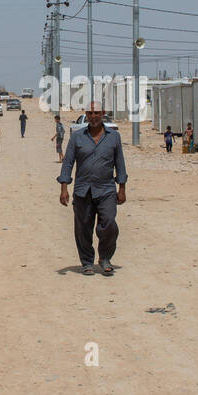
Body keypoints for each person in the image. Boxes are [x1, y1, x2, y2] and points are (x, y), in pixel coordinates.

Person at [58, 103, 127, 276]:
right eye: (90, 113)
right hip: (83, 190)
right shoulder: (77, 137)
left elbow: (120, 164)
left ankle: (105, 258)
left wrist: (122, 188)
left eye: (97, 112)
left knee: (109, 223)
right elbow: (68, 163)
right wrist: (64, 188)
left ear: (103, 113)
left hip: (106, 189)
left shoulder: (114, 137)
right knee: (83, 228)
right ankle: (87, 262)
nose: (93, 116)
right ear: (86, 114)